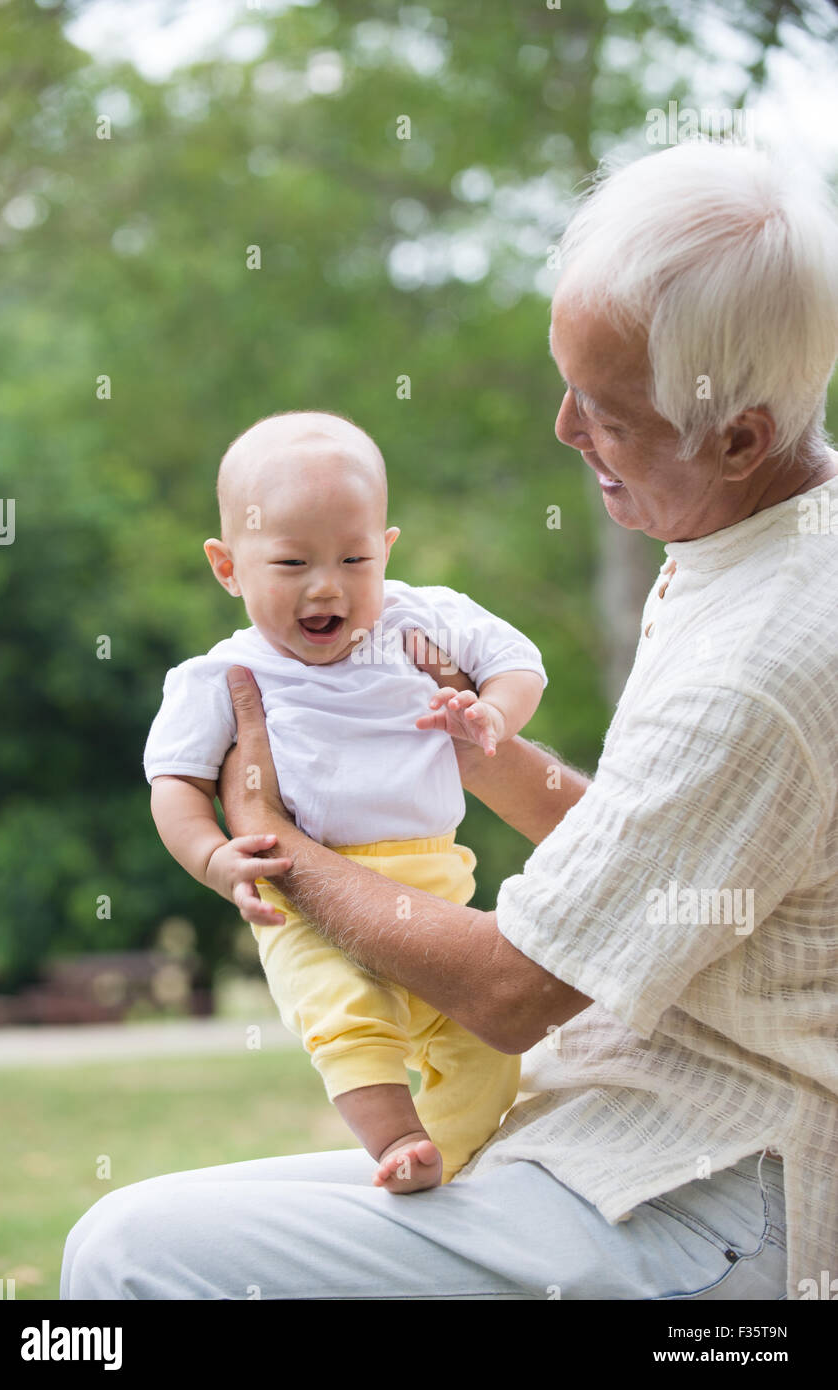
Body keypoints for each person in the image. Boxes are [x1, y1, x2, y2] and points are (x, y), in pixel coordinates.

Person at [61, 137, 838, 1301]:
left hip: (701, 1198)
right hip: (605, 1135)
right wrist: (465, 744)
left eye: (608, 410)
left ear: (740, 434)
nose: (567, 431)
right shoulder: (748, 544)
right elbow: (655, 840)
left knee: (131, 1254)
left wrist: (278, 844)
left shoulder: (759, 660)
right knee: (150, 1230)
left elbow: (513, 989)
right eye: (564, 381)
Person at [143, 409, 547, 1191]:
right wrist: (214, 857)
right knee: (345, 1015)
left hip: (435, 883)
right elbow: (176, 783)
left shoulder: (419, 618)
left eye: (355, 558)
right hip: (308, 900)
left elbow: (516, 661)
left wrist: (492, 711)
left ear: (385, 549)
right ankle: (395, 1138)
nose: (327, 586)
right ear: (228, 567)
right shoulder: (223, 676)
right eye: (291, 562)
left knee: (481, 1041)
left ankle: (453, 1156)